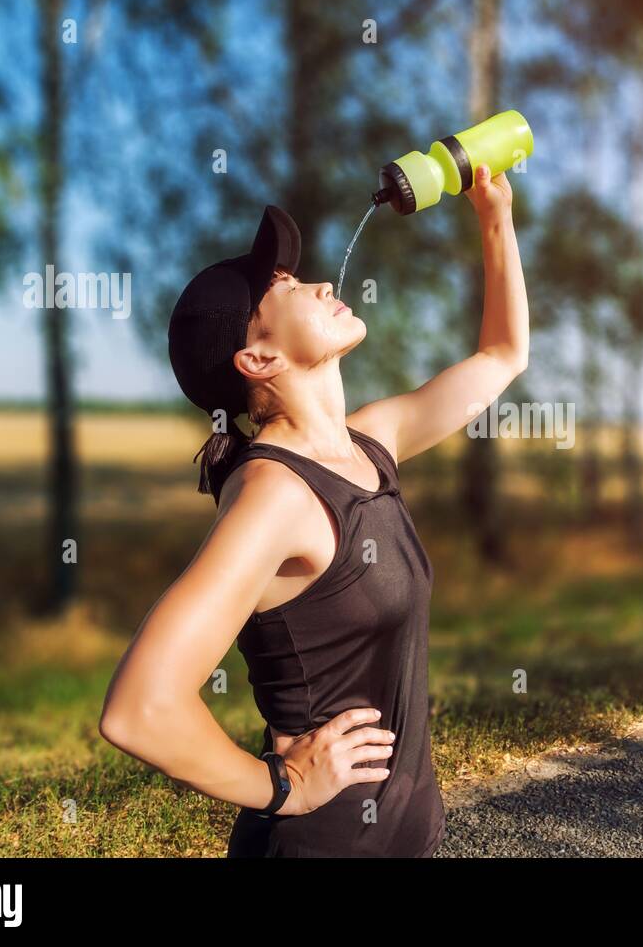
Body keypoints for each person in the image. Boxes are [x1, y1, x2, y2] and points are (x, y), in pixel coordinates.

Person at [99, 162, 528, 856]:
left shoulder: (370, 445)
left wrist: (493, 215)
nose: (322, 284)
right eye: (288, 288)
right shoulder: (274, 496)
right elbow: (138, 708)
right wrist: (282, 787)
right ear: (258, 358)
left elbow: (502, 355)